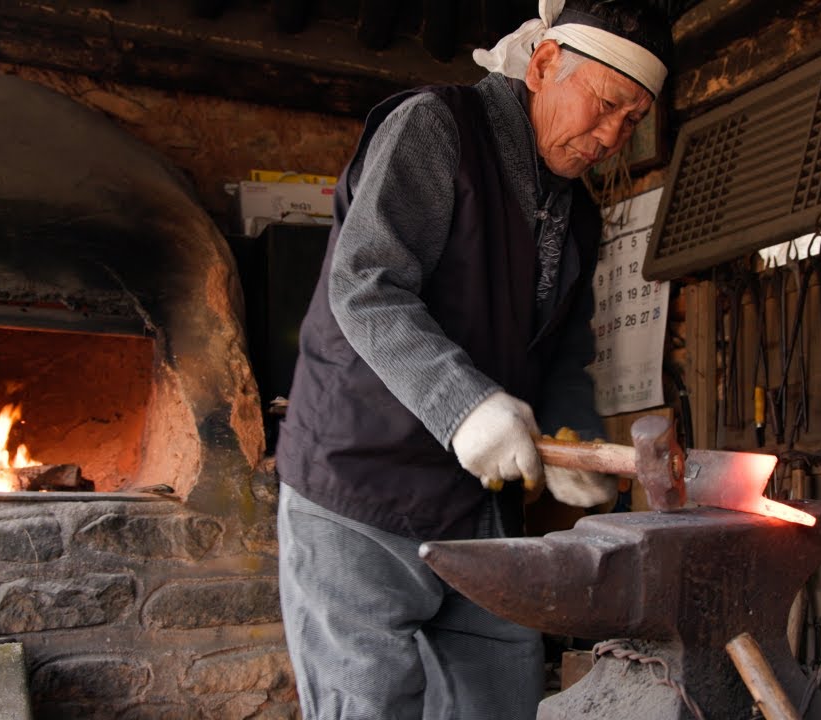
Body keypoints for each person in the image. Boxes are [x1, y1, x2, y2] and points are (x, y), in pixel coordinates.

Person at [274, 1, 672, 717]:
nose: (612, 135)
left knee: (501, 700)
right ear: (547, 63)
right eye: (606, 104)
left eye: (633, 118)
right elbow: (365, 287)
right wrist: (464, 405)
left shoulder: (578, 212)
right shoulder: (436, 128)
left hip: (475, 511)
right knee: (366, 704)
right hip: (357, 483)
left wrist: (571, 440)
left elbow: (566, 355)